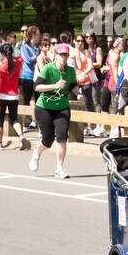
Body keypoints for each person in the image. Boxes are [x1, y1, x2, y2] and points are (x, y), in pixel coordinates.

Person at [30, 43, 76, 178]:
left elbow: (73, 85)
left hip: (62, 106)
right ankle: (36, 154)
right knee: (48, 139)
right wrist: (54, 86)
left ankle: (59, 168)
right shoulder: (48, 69)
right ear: (56, 55)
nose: (63, 57)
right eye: (61, 54)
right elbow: (36, 87)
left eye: (65, 54)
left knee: (62, 136)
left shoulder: (70, 70)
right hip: (44, 106)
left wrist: (79, 94)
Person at [0, 42, 27, 149]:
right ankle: (21, 136)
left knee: (0, 120)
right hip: (14, 96)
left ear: (2, 54)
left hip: (2, 96)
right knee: (14, 119)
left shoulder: (0, 67)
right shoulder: (17, 64)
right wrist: (12, 57)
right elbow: (20, 57)